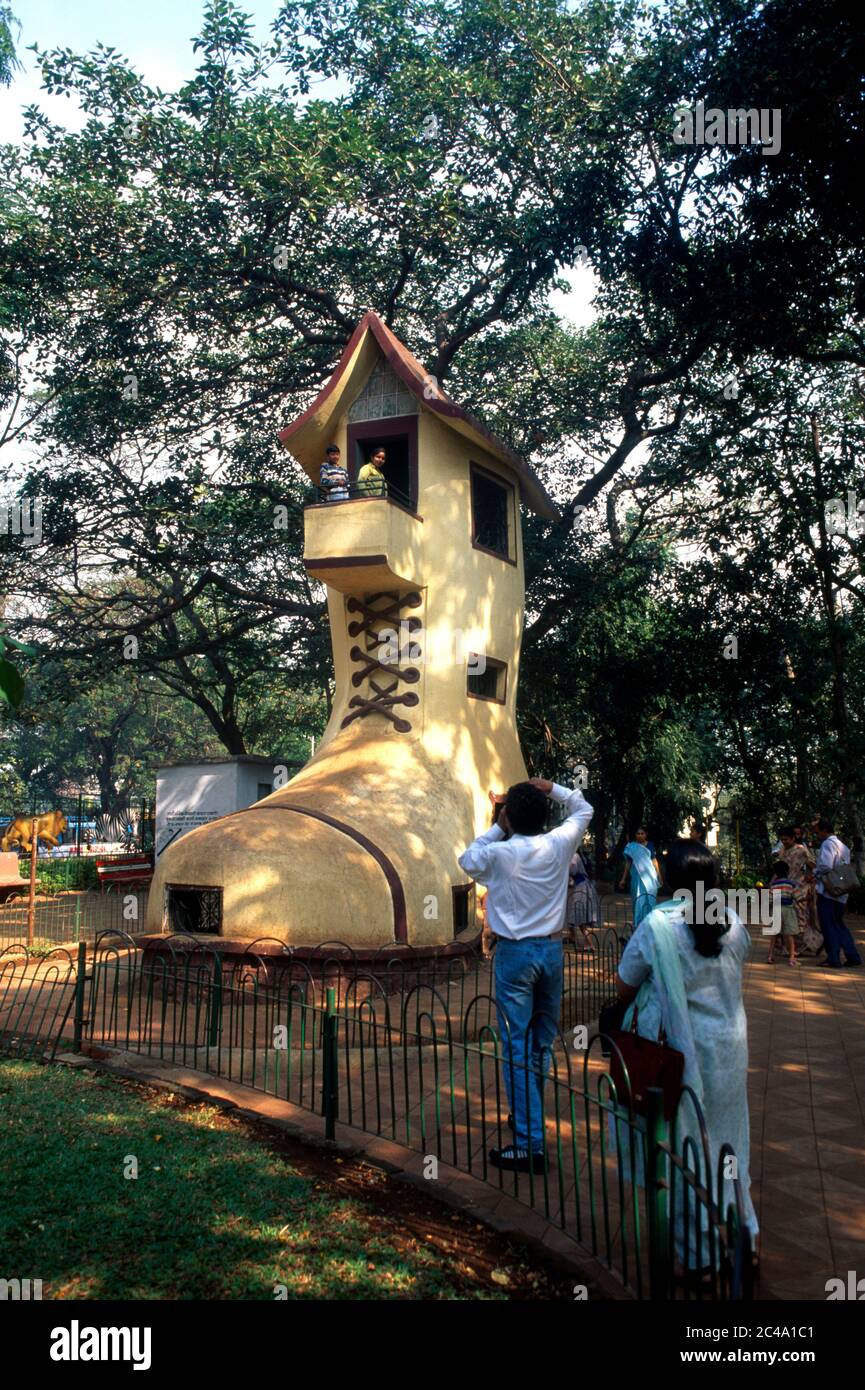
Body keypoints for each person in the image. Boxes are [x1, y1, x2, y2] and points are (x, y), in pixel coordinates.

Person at [615, 839, 759, 1270]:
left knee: (685, 1147)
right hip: (729, 1048)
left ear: (670, 881)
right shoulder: (731, 922)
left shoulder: (659, 927)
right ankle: (744, 1236)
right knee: (730, 1146)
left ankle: (698, 1257)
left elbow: (625, 983)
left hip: (680, 1054)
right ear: (714, 879)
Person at [459, 777, 593, 1172]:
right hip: (551, 953)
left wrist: (500, 825)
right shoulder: (558, 844)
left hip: (515, 955)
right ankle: (527, 1119)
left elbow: (468, 858)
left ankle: (530, 1143)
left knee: (515, 1045)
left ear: (510, 817)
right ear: (546, 816)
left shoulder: (500, 854)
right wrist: (552, 787)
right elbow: (583, 809)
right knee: (539, 1043)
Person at [814, 820, 862, 968]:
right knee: (839, 924)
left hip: (829, 891)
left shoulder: (827, 844)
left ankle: (833, 958)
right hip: (841, 892)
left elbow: (825, 866)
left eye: (817, 831)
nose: (816, 835)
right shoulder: (843, 846)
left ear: (823, 831)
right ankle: (852, 955)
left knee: (828, 925)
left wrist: (815, 873)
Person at [777, 826, 821, 954]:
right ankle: (789, 948)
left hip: (799, 888)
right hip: (785, 888)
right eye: (782, 840)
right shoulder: (782, 850)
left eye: (786, 839)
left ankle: (814, 943)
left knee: (800, 918)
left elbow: (813, 865)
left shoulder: (801, 850)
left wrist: (810, 876)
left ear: (793, 838)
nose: (784, 842)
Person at [618, 827, 661, 930]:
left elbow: (654, 861)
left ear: (646, 835)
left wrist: (659, 875)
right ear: (635, 835)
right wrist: (623, 879)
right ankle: (638, 924)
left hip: (650, 878)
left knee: (650, 899)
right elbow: (628, 863)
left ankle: (650, 923)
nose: (640, 835)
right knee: (637, 900)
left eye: (642, 833)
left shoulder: (650, 845)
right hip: (636, 878)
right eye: (638, 833)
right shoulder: (632, 847)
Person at [766, 860, 800, 966]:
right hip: (788, 909)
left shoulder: (773, 885)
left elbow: (770, 899)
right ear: (787, 871)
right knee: (789, 934)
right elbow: (797, 896)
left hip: (776, 909)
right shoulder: (791, 884)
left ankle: (770, 956)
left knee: (774, 934)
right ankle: (792, 958)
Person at [566, 850, 600, 944]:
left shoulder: (574, 855)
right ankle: (572, 936)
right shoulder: (569, 855)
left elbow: (572, 870)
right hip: (574, 887)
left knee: (578, 913)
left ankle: (589, 943)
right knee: (569, 910)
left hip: (580, 886)